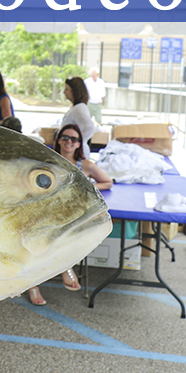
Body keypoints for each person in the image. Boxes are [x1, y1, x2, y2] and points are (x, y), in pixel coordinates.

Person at [27, 123, 112, 306]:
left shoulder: (85, 165)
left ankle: (65, 266)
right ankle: (35, 284)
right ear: (58, 140)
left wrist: (85, 188)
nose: (69, 142)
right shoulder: (46, 162)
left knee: (69, 237)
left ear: (80, 143)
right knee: (37, 241)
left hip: (71, 217)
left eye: (74, 139)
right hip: (46, 214)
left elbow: (107, 182)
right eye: (65, 137)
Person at [61, 76, 97, 159]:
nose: (64, 92)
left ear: (75, 91)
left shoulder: (79, 108)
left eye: (67, 89)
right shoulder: (76, 107)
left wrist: (76, 143)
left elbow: (89, 127)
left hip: (76, 153)